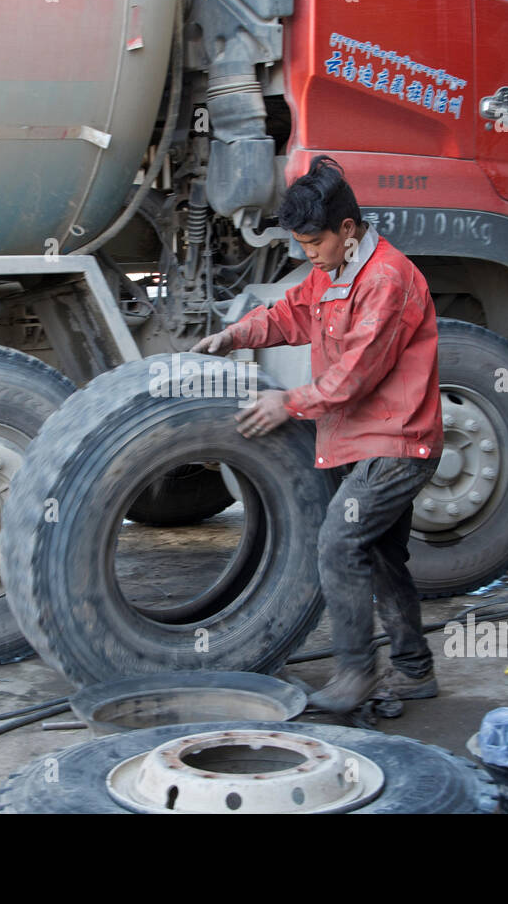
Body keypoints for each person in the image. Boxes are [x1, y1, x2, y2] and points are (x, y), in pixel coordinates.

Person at [190, 156, 444, 714]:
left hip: (397, 444)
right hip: (362, 440)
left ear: (347, 231)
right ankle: (414, 670)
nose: (309, 255)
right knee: (380, 556)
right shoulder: (333, 273)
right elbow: (288, 316)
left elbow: (356, 374)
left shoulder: (386, 279)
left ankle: (356, 675)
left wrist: (289, 402)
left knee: (339, 543)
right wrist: (233, 336)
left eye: (314, 243)